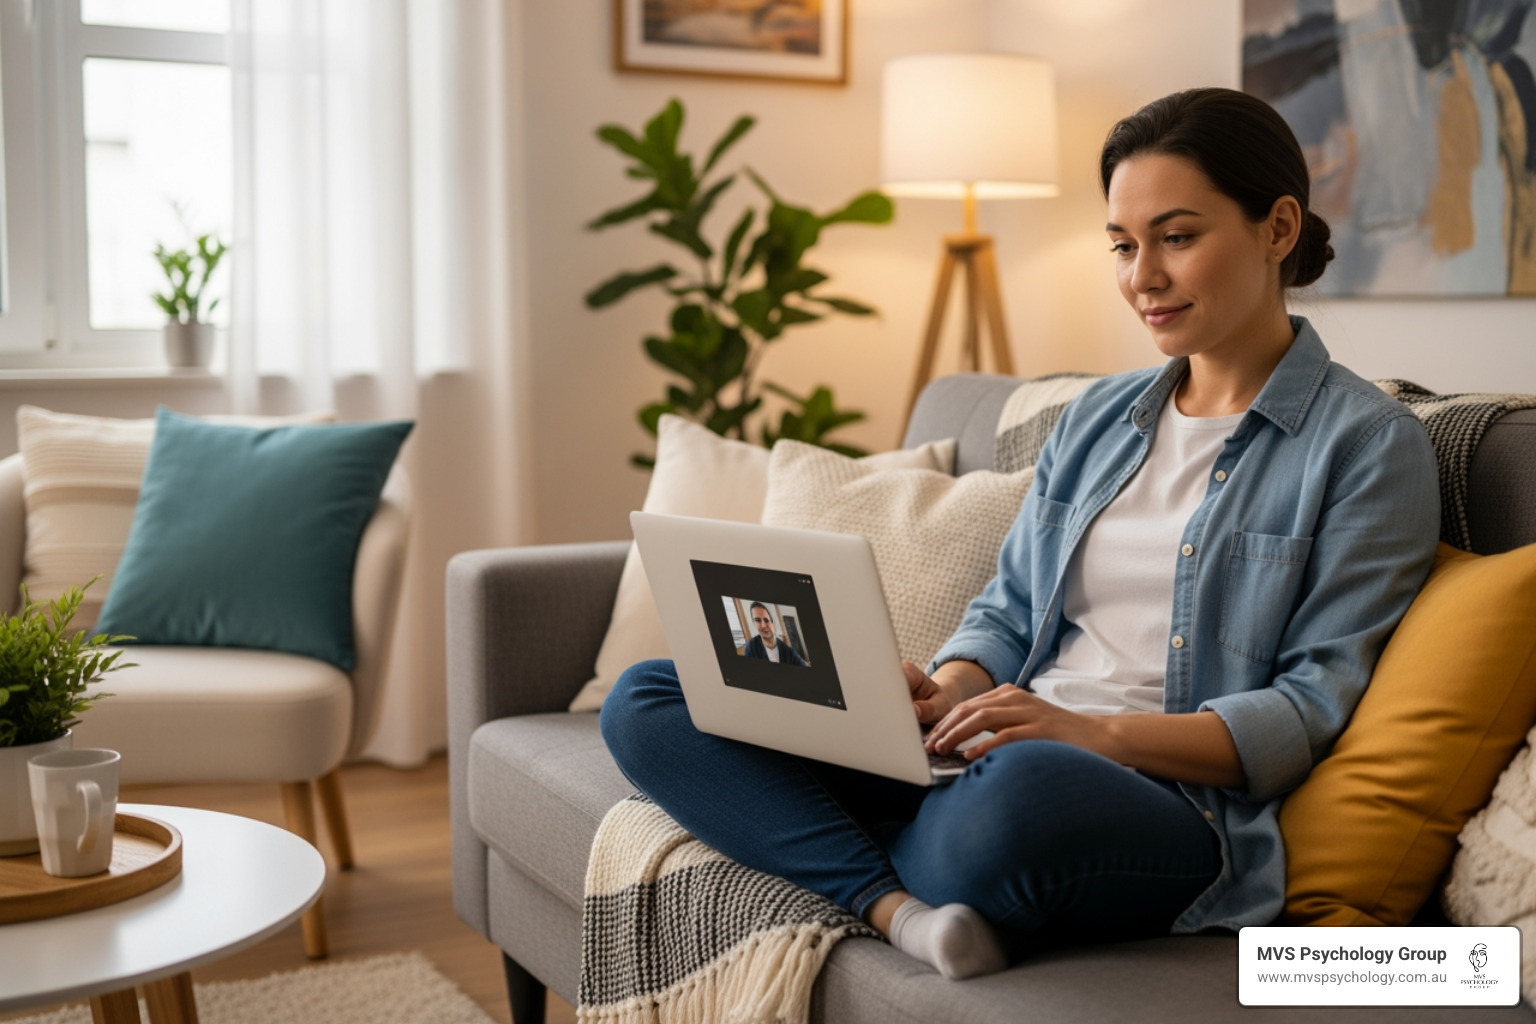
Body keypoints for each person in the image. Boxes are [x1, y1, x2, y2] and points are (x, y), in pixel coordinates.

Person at [600, 88, 1441, 980]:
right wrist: (946, 693)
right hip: (1001, 749)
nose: (1141, 277)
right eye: (1122, 245)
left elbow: (1310, 707)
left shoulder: (1366, 445)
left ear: (1278, 228)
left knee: (1012, 808)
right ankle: (897, 907)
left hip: (1158, 801)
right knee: (652, 696)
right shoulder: (1098, 417)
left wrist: (1089, 733)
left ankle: (826, 836)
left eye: (1177, 237)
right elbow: (1010, 608)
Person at [740, 601, 809, 666]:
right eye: (758, 620)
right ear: (754, 623)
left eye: (766, 620)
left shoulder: (787, 650)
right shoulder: (751, 647)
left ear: (773, 623)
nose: (763, 625)